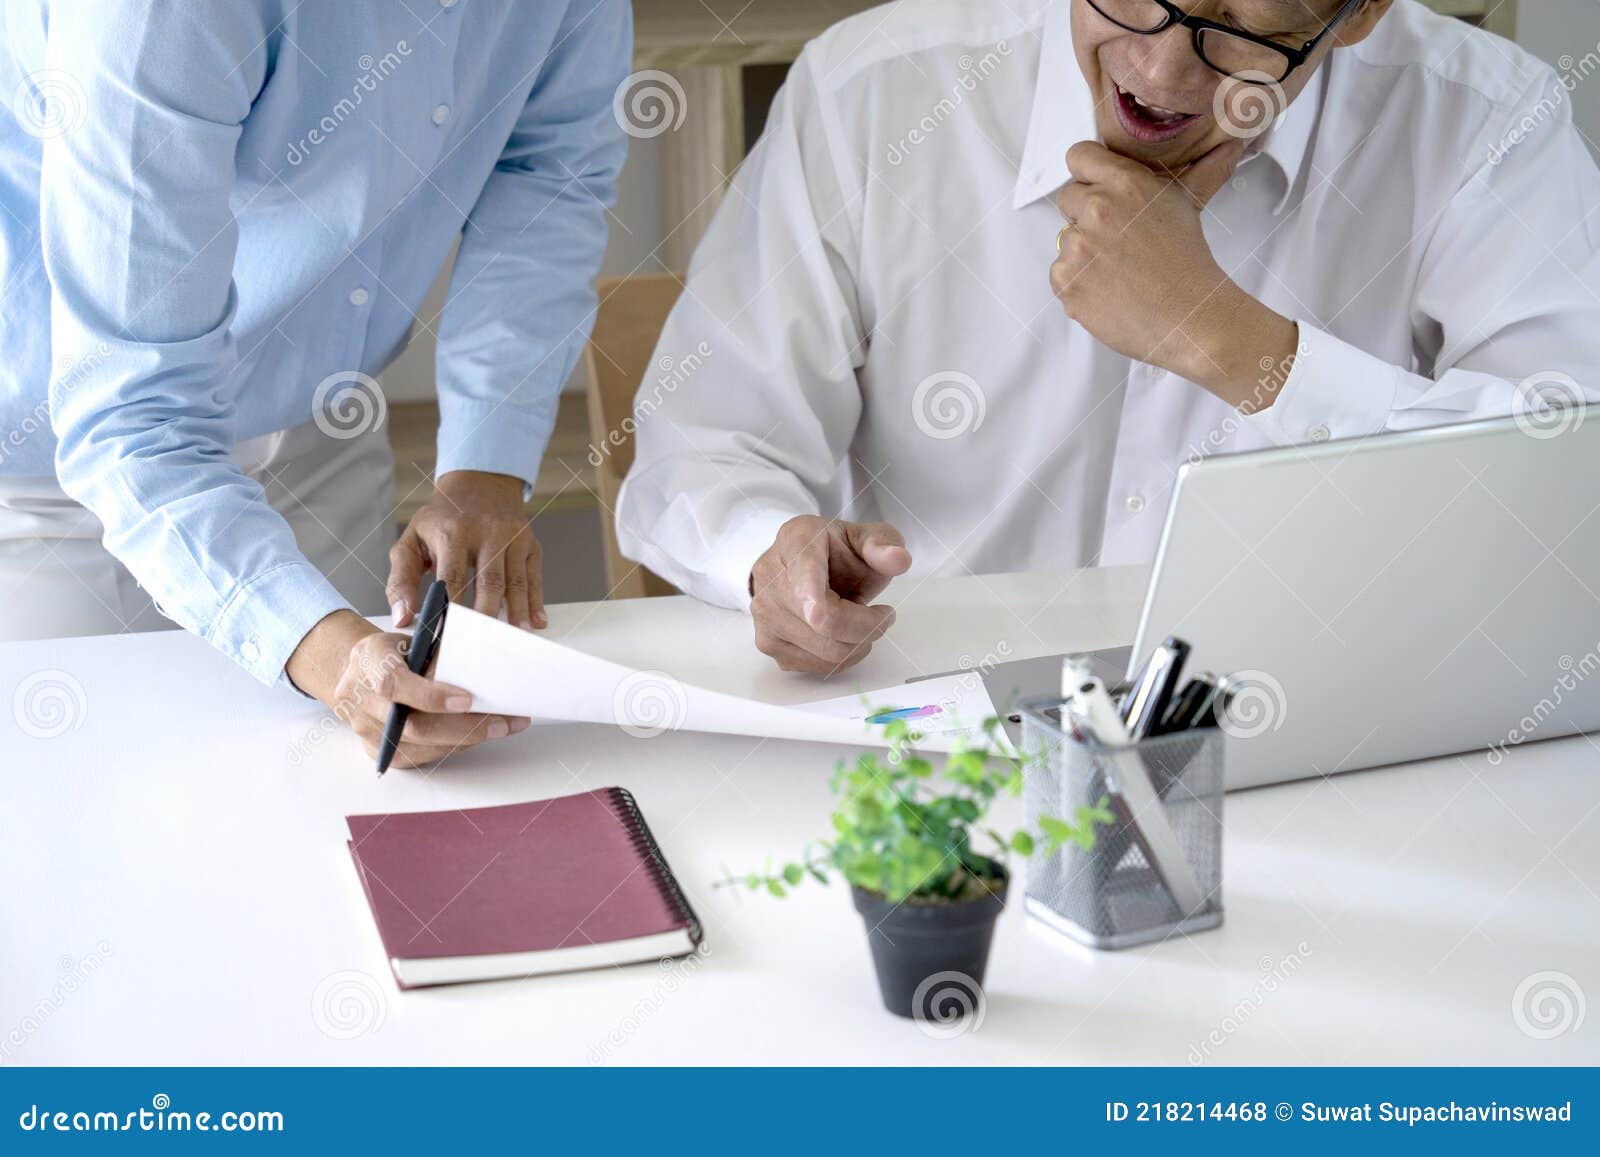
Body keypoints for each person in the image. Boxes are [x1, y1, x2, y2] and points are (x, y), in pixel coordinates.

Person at [616, 0, 1600, 677]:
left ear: (1358, 16)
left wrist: (1230, 340)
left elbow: (1570, 487)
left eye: (1245, 31)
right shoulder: (874, 91)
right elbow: (702, 445)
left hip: (1327, 743)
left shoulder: (1482, 117)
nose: (1159, 72)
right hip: (930, 744)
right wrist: (767, 552)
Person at [0, 1, 630, 766]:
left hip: (321, 429)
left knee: (334, 812)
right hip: (48, 479)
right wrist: (324, 653)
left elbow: (547, 178)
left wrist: (484, 469)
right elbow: (132, 415)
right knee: (72, 819)